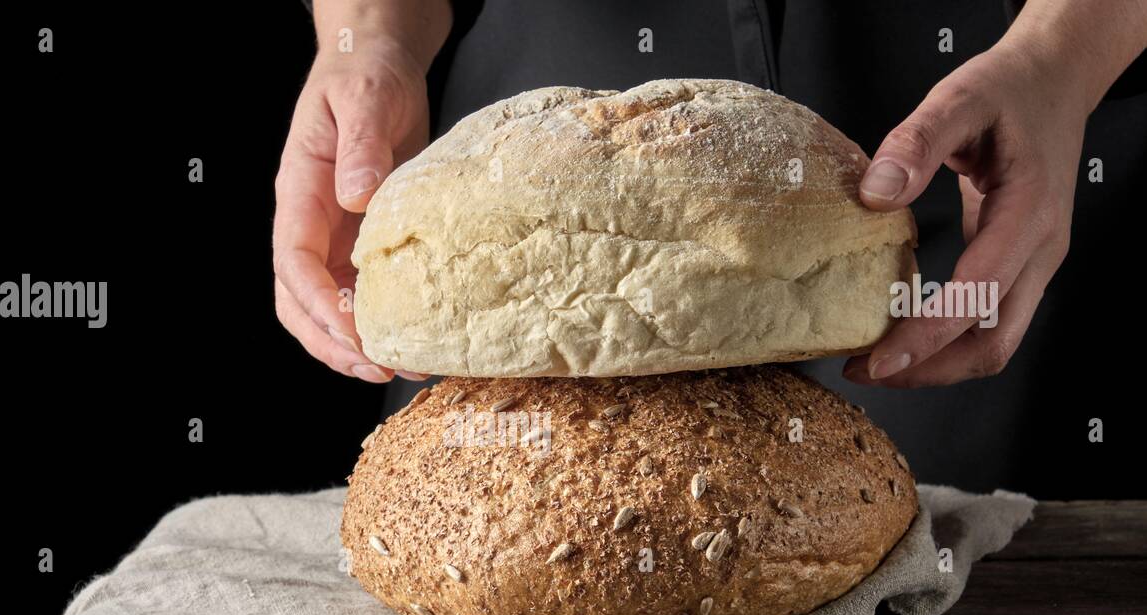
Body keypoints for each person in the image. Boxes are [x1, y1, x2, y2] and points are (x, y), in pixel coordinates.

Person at [272, 0, 1147, 495]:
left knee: (970, 596)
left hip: (960, 149)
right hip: (526, 205)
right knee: (484, 526)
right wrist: (369, 38)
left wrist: (1059, 57)